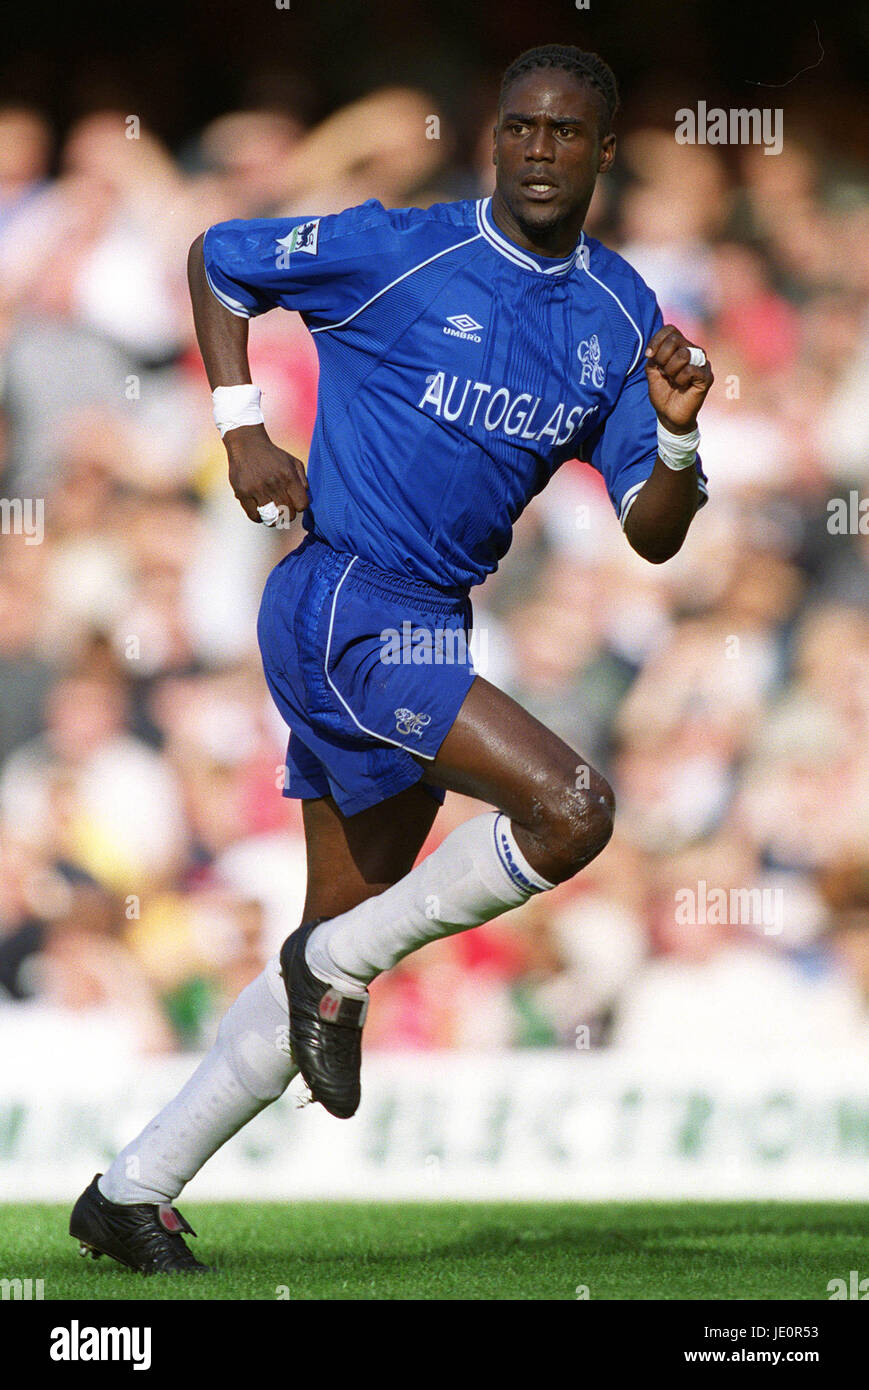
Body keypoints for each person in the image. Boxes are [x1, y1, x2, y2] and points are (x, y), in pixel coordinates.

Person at [70, 43, 712, 1273]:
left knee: (342, 932)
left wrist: (676, 443)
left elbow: (651, 535)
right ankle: (330, 970)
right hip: (342, 599)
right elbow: (219, 257)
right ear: (492, 140)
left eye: (563, 133)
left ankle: (129, 1191)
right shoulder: (400, 246)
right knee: (574, 809)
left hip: (434, 622)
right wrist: (239, 428)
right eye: (518, 127)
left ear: (601, 152)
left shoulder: (620, 310)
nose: (536, 149)